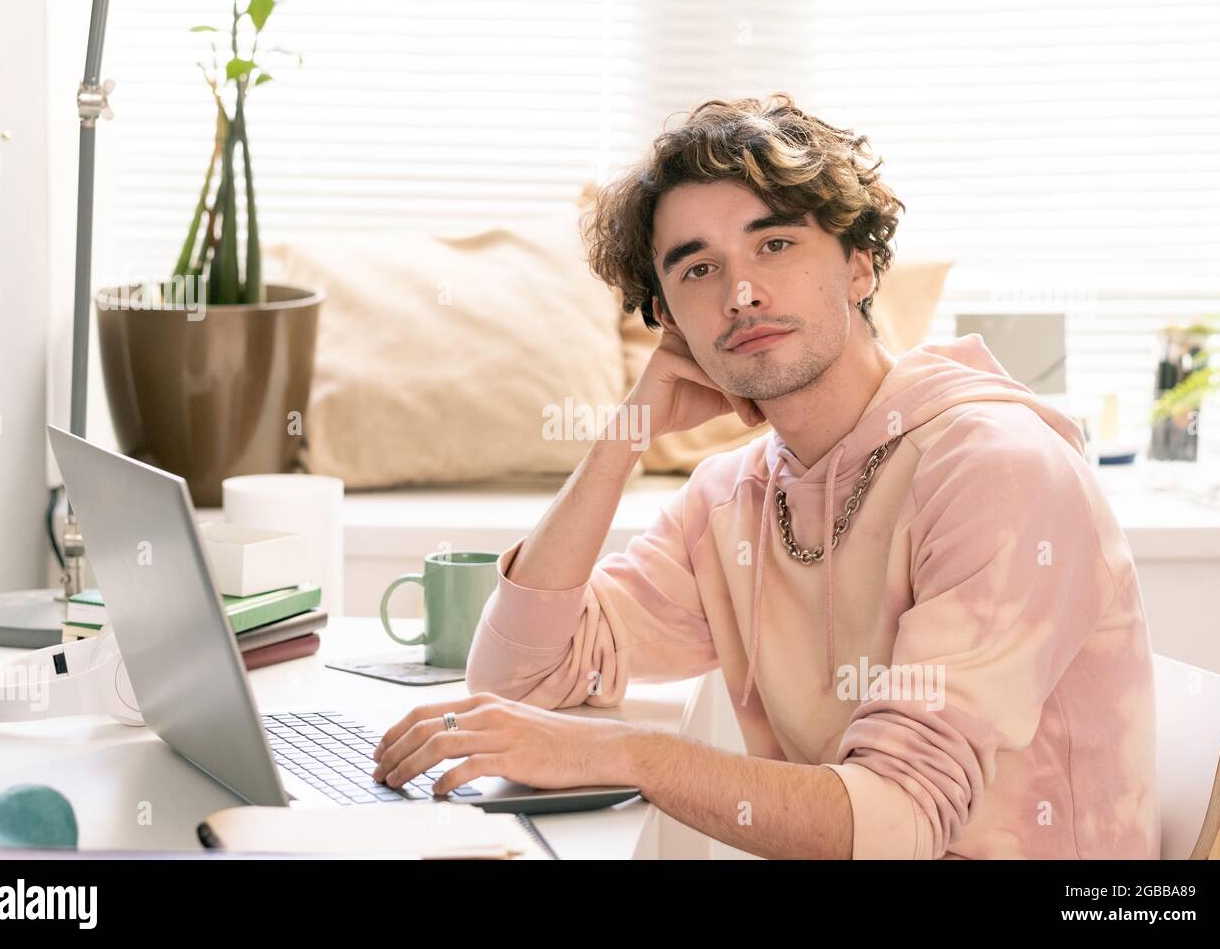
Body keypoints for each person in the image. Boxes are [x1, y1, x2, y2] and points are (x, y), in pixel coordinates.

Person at [371, 93, 1159, 859]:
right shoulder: (735, 497)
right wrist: (622, 438)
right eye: (698, 269)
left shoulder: (995, 469)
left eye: (774, 245)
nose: (740, 293)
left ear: (859, 264)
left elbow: (900, 822)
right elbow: (517, 683)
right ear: (671, 323)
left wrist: (628, 756)